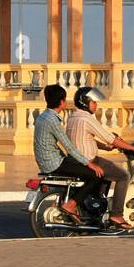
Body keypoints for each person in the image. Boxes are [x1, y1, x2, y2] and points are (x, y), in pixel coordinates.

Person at [66, 87, 134, 229]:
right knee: (122, 176)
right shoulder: (86, 118)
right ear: (85, 103)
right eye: (93, 102)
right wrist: (132, 148)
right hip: (90, 160)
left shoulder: (73, 117)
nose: (96, 105)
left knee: (107, 173)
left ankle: (95, 210)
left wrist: (106, 147)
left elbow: (83, 139)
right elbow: (110, 138)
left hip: (75, 161)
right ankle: (117, 215)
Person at [32, 83, 103, 224]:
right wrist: (89, 163)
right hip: (54, 164)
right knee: (96, 175)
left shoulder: (42, 117)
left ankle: (77, 206)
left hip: (45, 161)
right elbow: (69, 146)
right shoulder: (53, 120)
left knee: (79, 170)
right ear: (62, 102)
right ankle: (71, 205)